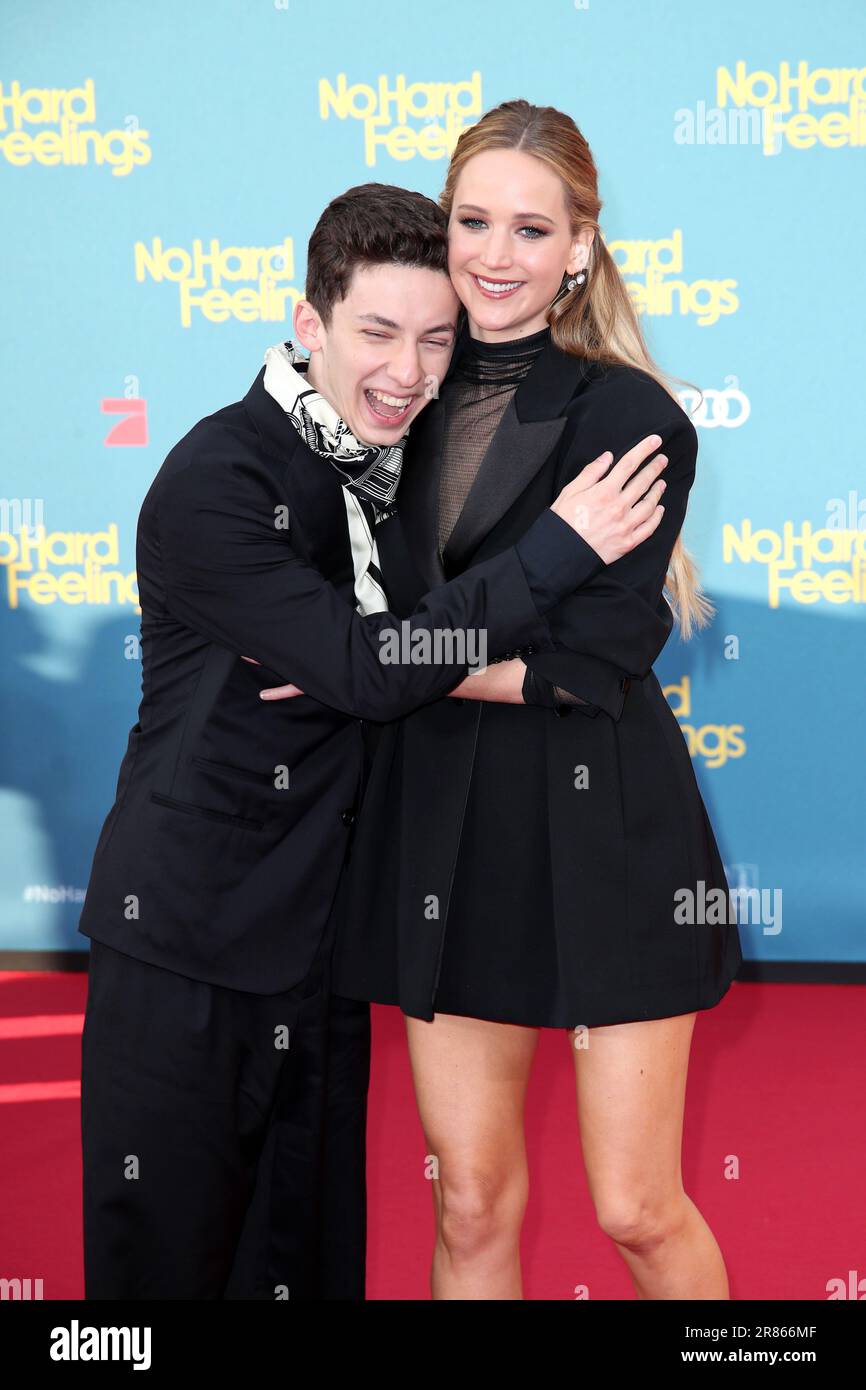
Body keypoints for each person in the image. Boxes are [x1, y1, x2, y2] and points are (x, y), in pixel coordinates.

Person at [77, 179, 668, 1300]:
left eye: (434, 339)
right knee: (160, 1280)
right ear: (310, 327)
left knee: (301, 1268)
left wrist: (393, 656)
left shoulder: (391, 477)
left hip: (323, 953)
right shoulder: (219, 479)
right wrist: (551, 549)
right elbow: (365, 669)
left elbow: (395, 666)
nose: (406, 371)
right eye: (377, 334)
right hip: (188, 941)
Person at [303, 101, 742, 1301]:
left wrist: (391, 660)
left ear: (579, 247)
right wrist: (405, 650)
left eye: (530, 227)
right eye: (472, 220)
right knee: (473, 1193)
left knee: (637, 1208)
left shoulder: (628, 417)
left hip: (603, 827)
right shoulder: (388, 400)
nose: (495, 255)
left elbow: (584, 659)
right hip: (442, 826)